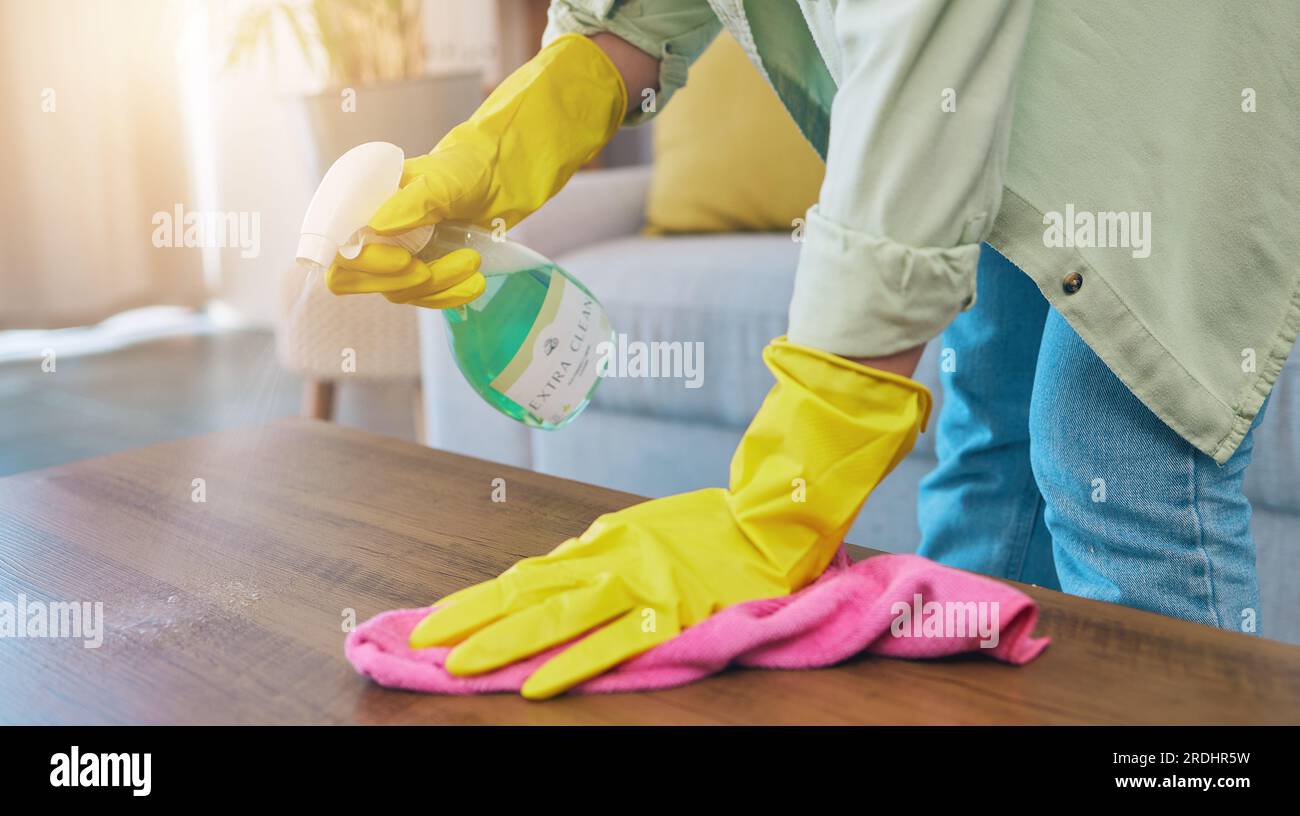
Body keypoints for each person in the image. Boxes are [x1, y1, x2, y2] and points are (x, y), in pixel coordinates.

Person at [325, 1, 1299, 698]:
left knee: (1107, 460)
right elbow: (633, 20)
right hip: (1025, 103)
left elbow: (920, 78)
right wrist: (487, 155)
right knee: (987, 452)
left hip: (1177, 76)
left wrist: (777, 505)